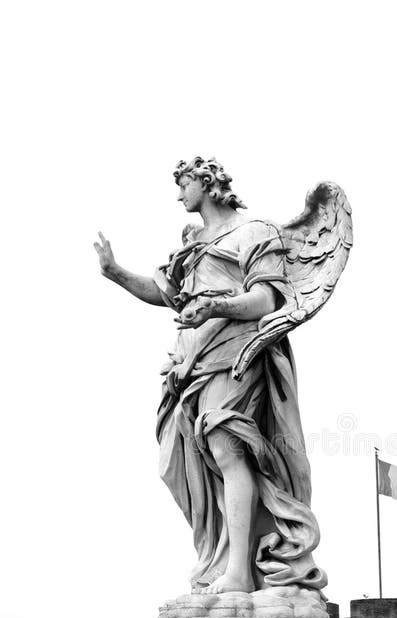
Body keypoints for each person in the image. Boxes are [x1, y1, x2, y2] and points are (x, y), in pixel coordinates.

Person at [94, 157, 326, 595]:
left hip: (237, 352)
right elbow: (168, 294)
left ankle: (239, 572)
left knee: (228, 449)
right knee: (190, 461)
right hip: (191, 362)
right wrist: (116, 273)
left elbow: (265, 300)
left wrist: (215, 306)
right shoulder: (193, 241)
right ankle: (222, 559)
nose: (179, 194)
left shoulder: (255, 231)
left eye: (183, 184)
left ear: (206, 181)